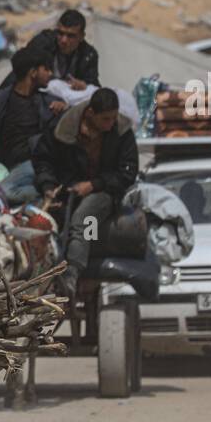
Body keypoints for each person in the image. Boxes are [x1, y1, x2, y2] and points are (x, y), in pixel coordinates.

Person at [33, 87, 138, 299]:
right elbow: (43, 161)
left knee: (85, 219)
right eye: (105, 119)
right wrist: (48, 186)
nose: (110, 124)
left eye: (113, 118)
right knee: (38, 221)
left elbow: (127, 173)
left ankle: (73, 272)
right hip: (65, 191)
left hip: (105, 192)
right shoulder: (61, 127)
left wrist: (94, 184)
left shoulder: (122, 131)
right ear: (90, 113)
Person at [0, 45, 54, 204]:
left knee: (3, 191)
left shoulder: (49, 104)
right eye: (46, 69)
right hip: (5, 164)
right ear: (33, 72)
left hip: (35, 164)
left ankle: (46, 196)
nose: (50, 74)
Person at [21, 8, 100, 90]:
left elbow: (93, 86)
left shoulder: (88, 55)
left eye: (70, 36)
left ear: (81, 37)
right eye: (60, 33)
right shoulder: (43, 43)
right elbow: (22, 68)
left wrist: (84, 85)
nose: (64, 40)